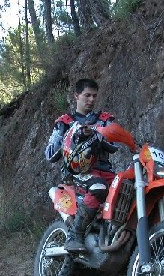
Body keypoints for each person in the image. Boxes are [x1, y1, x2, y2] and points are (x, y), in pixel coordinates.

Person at [45, 78, 119, 252]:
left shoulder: (105, 119)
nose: (91, 99)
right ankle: (75, 235)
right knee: (98, 187)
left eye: (94, 96)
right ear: (76, 96)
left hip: (105, 170)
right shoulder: (64, 122)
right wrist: (73, 134)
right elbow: (49, 154)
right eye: (87, 95)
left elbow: (115, 144)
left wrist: (97, 134)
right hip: (76, 173)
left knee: (128, 187)